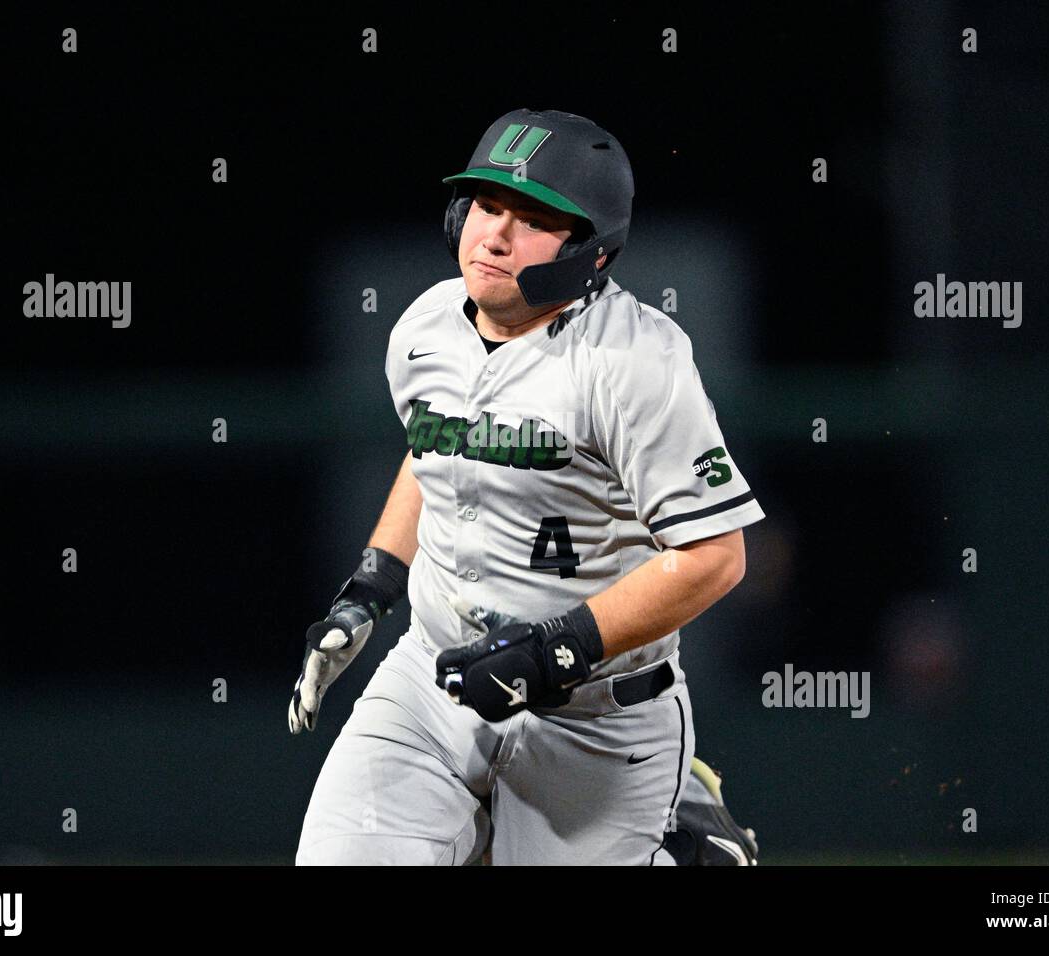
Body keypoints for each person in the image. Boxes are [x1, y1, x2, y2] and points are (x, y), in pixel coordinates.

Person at [289, 108, 765, 865]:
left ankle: (683, 842)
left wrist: (558, 649)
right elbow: (437, 452)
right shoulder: (423, 328)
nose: (496, 234)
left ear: (593, 252)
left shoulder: (635, 360)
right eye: (486, 204)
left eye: (535, 217)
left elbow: (715, 555)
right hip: (434, 675)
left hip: (594, 716)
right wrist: (371, 583)